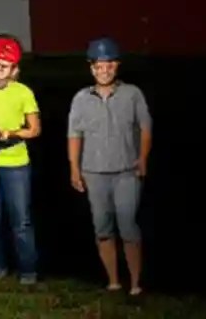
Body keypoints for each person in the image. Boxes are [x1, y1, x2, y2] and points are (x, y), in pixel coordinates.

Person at [67, 37, 152, 296]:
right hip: (94, 171)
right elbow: (74, 135)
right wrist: (74, 167)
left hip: (126, 170)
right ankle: (113, 280)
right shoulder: (81, 98)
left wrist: (143, 158)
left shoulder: (132, 94)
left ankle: (136, 282)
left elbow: (145, 128)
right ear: (91, 68)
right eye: (98, 66)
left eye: (109, 66)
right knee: (102, 227)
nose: (104, 71)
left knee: (128, 225)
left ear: (116, 66)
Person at [0, 35, 41, 284]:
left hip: (16, 164)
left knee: (21, 220)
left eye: (4, 66)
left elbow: (34, 129)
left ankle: (27, 271)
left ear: (14, 68)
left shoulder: (23, 92)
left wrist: (11, 134)